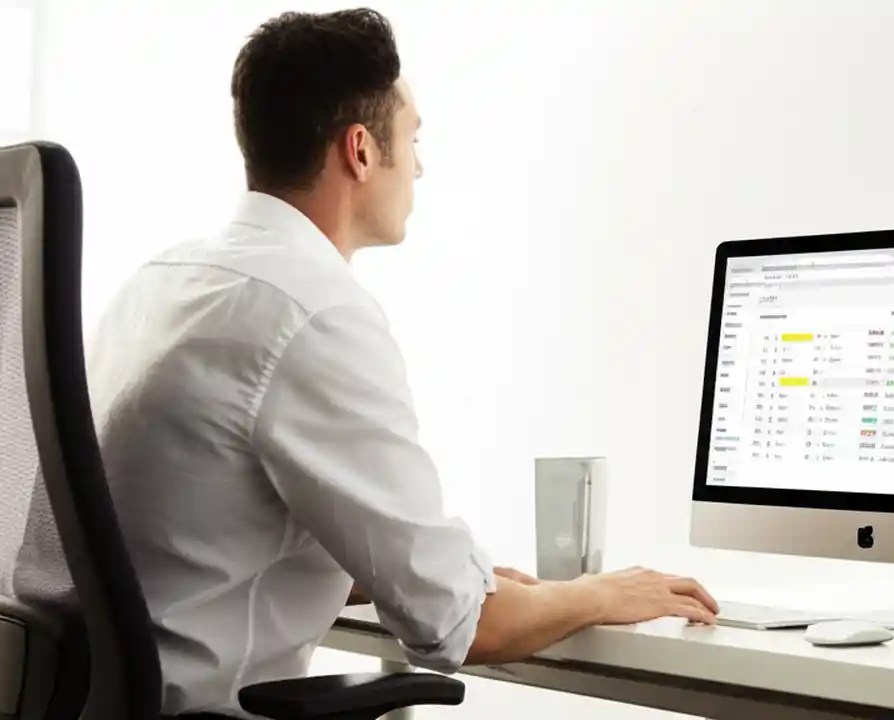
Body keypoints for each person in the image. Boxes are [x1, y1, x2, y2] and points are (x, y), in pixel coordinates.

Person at [18, 8, 717, 717]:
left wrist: (436, 578)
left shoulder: (165, 281)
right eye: (413, 138)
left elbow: (181, 543)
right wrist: (601, 593)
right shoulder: (311, 311)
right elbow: (460, 627)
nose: (419, 163)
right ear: (359, 150)